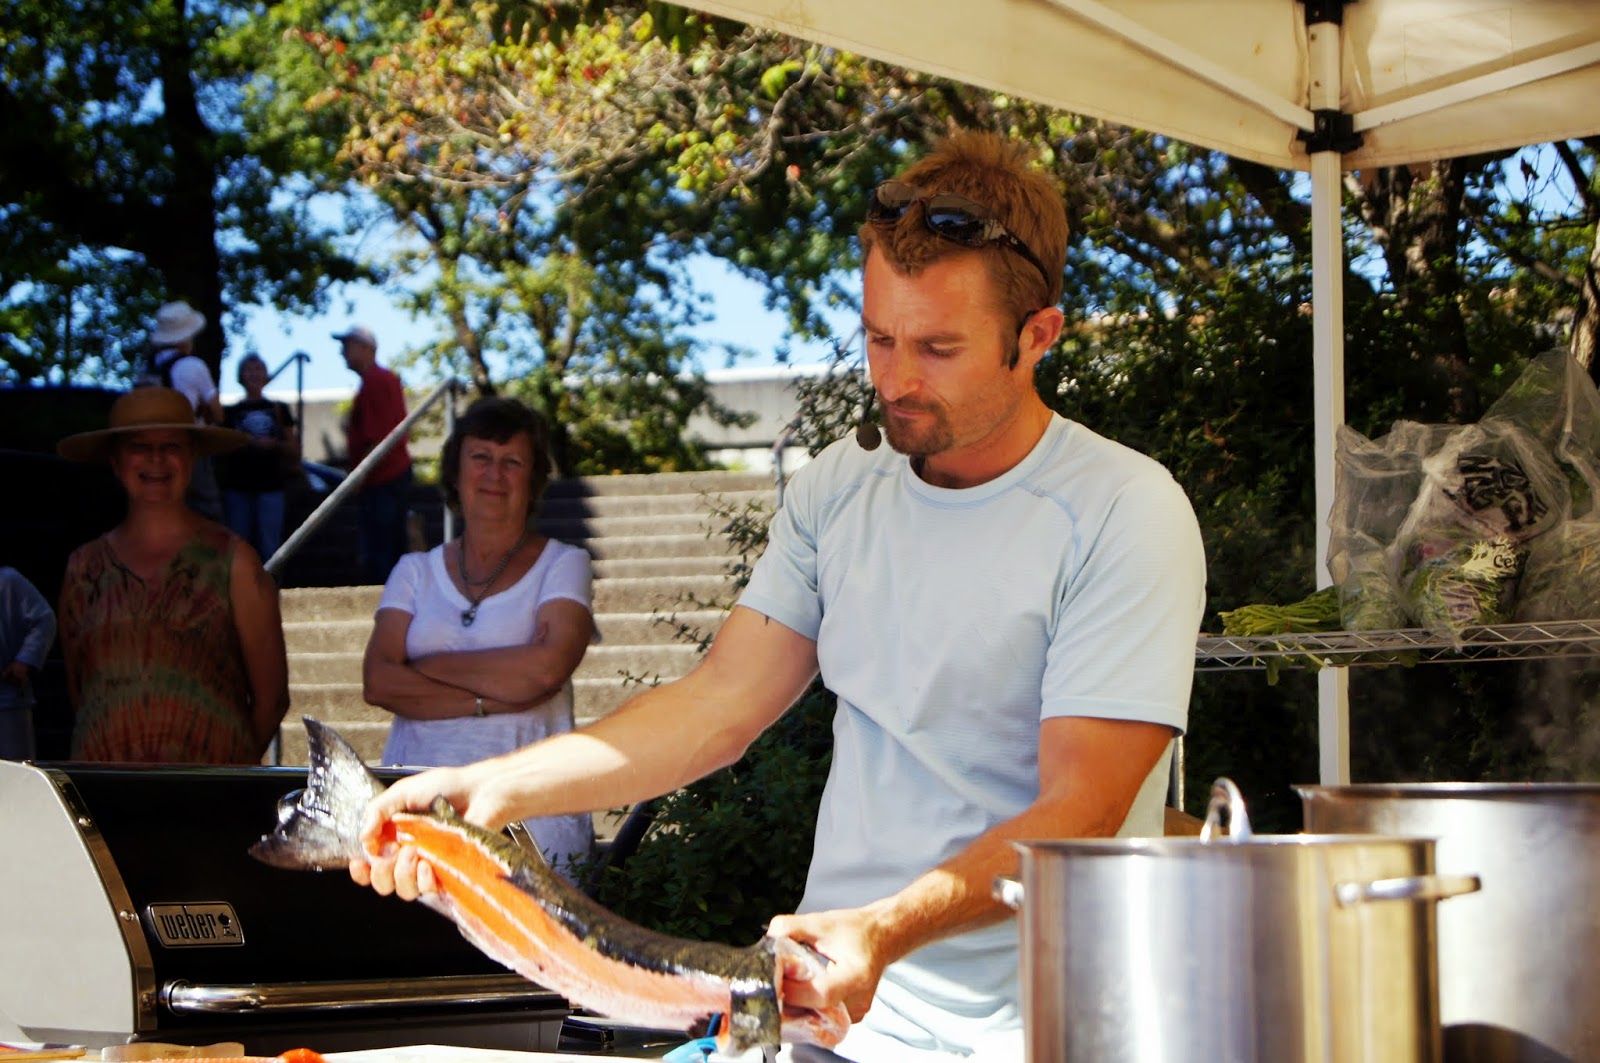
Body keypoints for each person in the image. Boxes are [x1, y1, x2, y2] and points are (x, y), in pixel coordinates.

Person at [350, 131, 1207, 1061]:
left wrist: (881, 930)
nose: (897, 378)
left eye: (940, 347)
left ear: (1038, 336)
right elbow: (719, 705)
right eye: (879, 336)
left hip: (1045, 1028)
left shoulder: (1124, 510)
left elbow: (1079, 807)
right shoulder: (840, 487)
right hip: (827, 1014)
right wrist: (490, 787)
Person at [362, 396, 597, 870]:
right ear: (455, 471)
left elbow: (544, 671)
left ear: (533, 482)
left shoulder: (565, 564)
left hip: (532, 814)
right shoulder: (414, 571)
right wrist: (488, 699)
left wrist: (430, 668)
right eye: (481, 458)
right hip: (416, 809)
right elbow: (379, 682)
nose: (494, 474)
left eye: (512, 462)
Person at [56, 387, 290, 763]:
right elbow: (81, 689)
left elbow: (272, 698)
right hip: (103, 797)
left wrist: (222, 775)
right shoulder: (84, 569)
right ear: (115, 461)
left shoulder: (235, 562)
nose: (156, 458)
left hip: (208, 802)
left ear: (192, 458)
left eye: (172, 446)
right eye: (139, 446)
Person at [336, 324, 413, 584]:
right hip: (389, 475)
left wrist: (359, 475)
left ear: (366, 348)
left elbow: (377, 436)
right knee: (388, 546)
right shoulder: (383, 379)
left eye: (347, 346)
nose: (342, 352)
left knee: (380, 550)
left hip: (382, 478)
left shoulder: (375, 381)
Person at [145, 300, 226, 519]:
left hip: (153, 452)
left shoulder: (147, 369)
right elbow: (218, 414)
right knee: (206, 510)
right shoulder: (194, 366)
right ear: (185, 338)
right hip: (189, 448)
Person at [218, 353, 301, 564]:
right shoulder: (231, 412)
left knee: (270, 546)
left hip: (271, 486)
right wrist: (245, 443)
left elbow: (293, 447)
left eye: (258, 369)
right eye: (249, 369)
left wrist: (274, 445)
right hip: (238, 487)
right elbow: (222, 449)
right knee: (239, 546)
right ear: (240, 375)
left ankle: (270, 591)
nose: (254, 374)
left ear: (266, 374)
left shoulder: (279, 409)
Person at [0, 566, 56, 760]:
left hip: (7, 702)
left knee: (15, 776)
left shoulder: (7, 580)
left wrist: (24, 661)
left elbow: (44, 619)